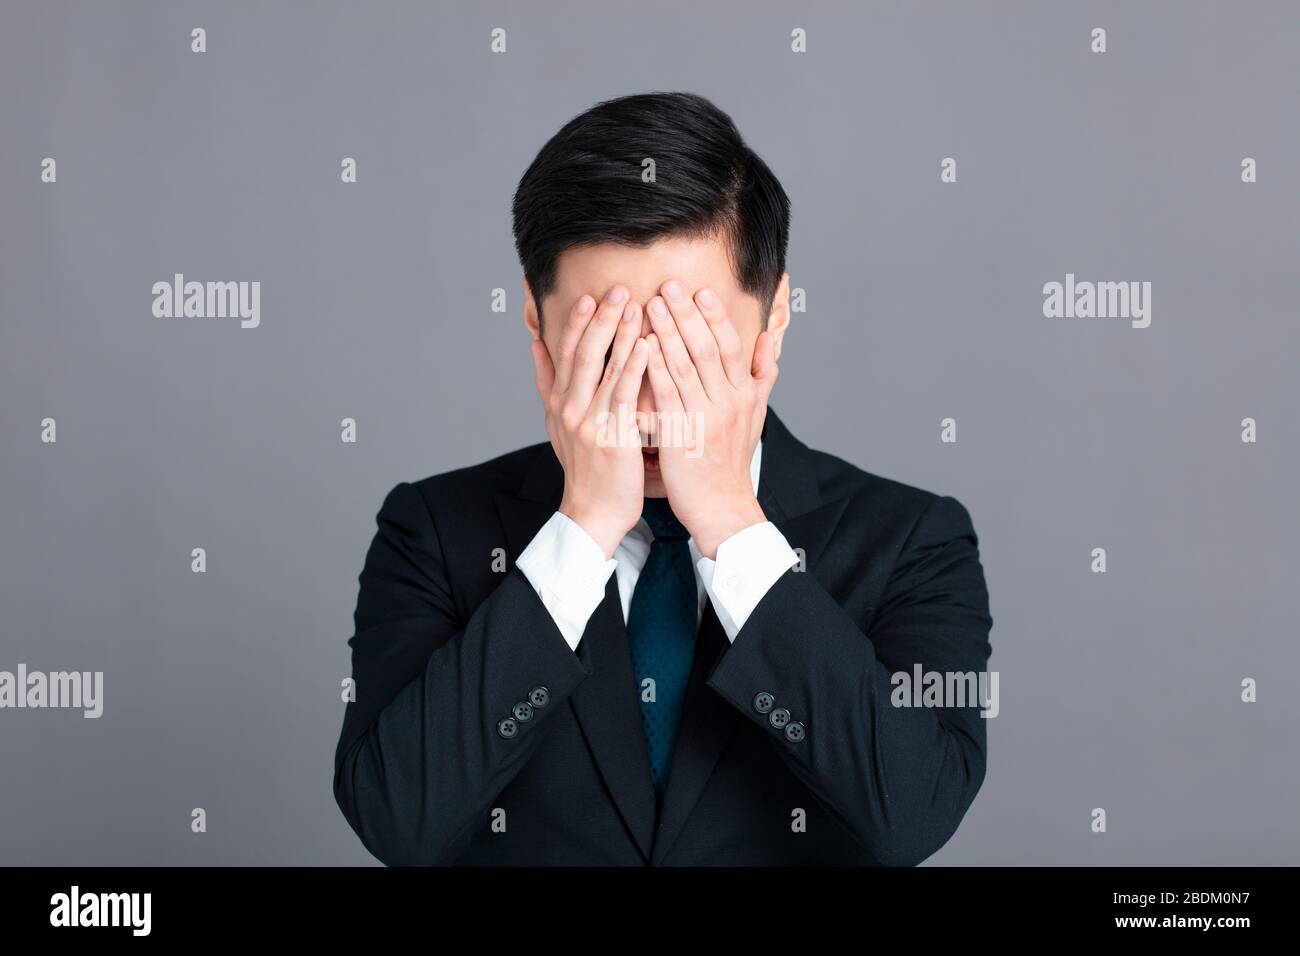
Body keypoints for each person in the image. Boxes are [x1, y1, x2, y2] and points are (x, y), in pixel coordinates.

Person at [332, 91, 994, 866]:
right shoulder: (435, 530)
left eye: (689, 348)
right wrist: (578, 534)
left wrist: (730, 525)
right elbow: (396, 819)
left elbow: (913, 814)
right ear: (539, 333)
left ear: (776, 314)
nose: (649, 404)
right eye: (607, 349)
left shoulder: (913, 541)